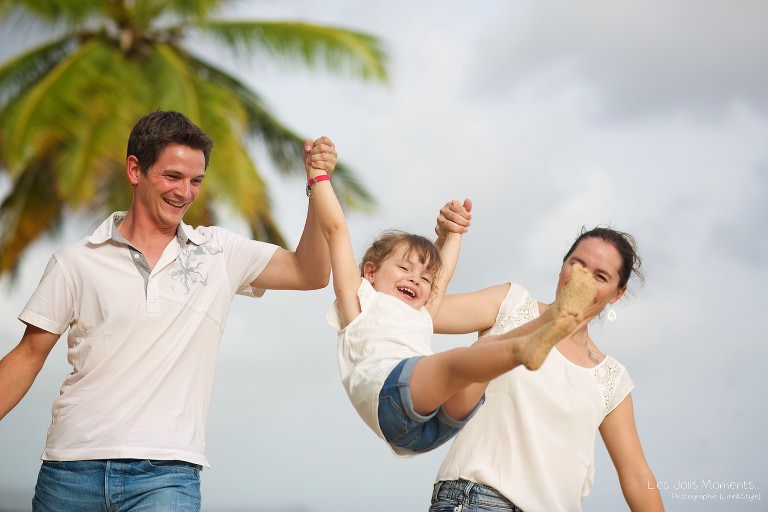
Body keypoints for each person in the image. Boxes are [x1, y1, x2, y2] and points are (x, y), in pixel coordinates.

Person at [0, 110, 337, 511]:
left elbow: (310, 272)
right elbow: (28, 356)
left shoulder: (219, 252)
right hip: (70, 470)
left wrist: (318, 184)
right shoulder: (75, 261)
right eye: (173, 177)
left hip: (166, 476)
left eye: (196, 181)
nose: (185, 192)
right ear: (135, 170)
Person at [306, 158, 596, 457]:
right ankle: (521, 349)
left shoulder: (420, 314)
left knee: (482, 356)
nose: (415, 279)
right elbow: (336, 230)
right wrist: (318, 175)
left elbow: (441, 277)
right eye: (404, 268)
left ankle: (551, 318)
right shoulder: (360, 303)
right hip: (388, 395)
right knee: (459, 361)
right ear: (370, 271)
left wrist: (455, 232)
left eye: (423, 278)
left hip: (430, 425)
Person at [428, 202, 664, 511]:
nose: (582, 280)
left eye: (600, 276)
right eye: (578, 266)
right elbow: (424, 312)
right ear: (563, 266)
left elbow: (636, 475)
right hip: (480, 499)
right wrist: (445, 241)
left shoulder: (611, 377)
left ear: (617, 293)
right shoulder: (512, 305)